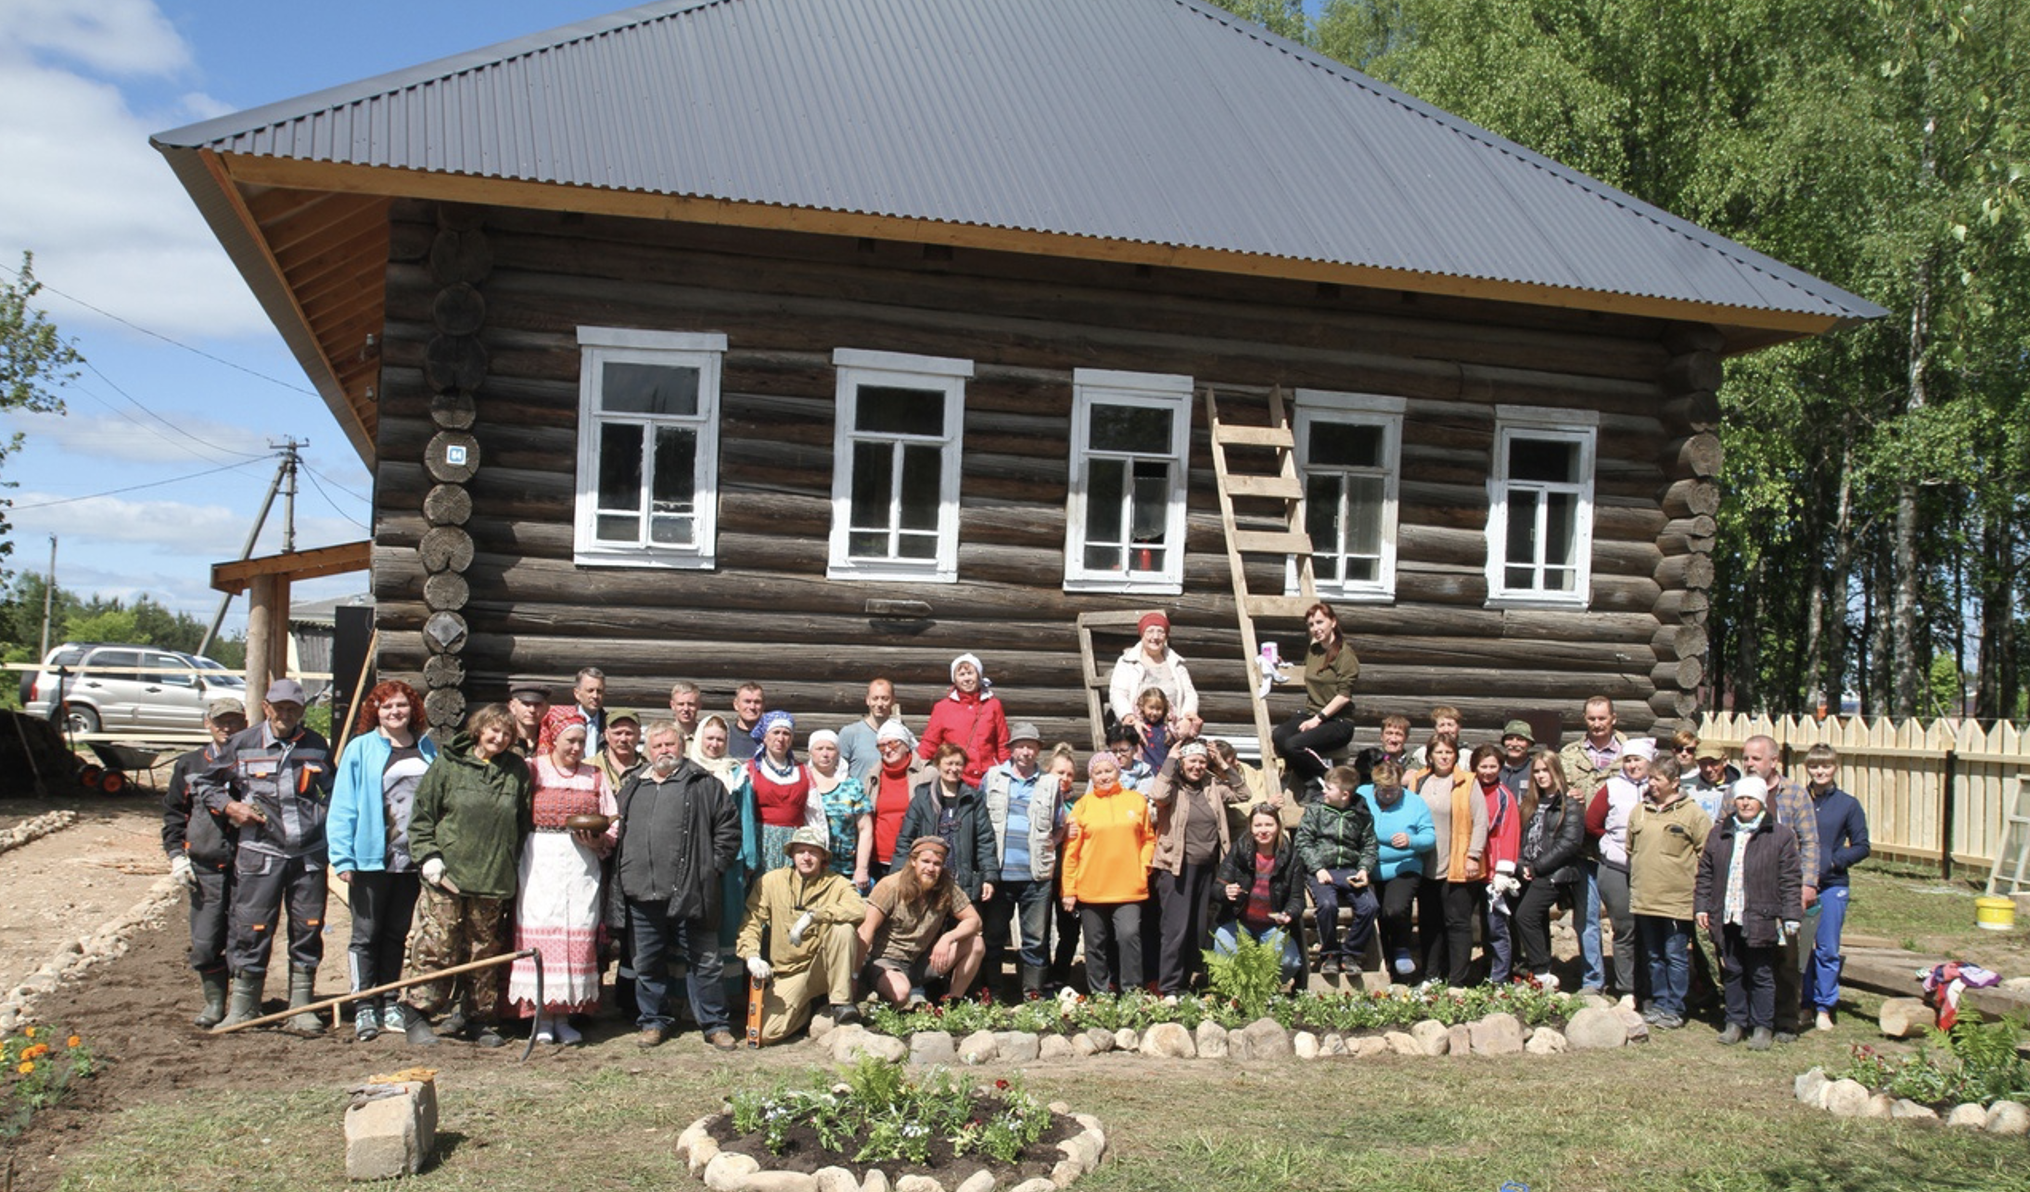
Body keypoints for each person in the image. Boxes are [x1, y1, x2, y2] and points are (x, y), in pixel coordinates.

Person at [195, 678, 334, 1032]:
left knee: (308, 926)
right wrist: (230, 807)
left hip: (308, 856)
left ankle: (301, 1007)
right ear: (266, 707)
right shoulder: (242, 744)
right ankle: (244, 1005)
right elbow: (205, 783)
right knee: (251, 927)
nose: (286, 714)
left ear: (302, 711)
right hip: (260, 852)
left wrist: (322, 819)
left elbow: (334, 792)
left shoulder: (316, 746)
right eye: (280, 707)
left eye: (293, 709)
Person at [400, 704, 533, 1048]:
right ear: (478, 729)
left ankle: (478, 1017)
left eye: (506, 734)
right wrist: (428, 855)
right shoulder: (449, 765)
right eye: (493, 731)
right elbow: (422, 816)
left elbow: (521, 824)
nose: (499, 739)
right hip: (448, 875)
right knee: (438, 945)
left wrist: (510, 862)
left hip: (493, 877)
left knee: (483, 951)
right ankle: (418, 1012)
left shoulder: (516, 771)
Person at [611, 720, 742, 1049]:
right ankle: (654, 1021)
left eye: (670, 745)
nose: (664, 751)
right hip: (641, 890)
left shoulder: (704, 784)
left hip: (691, 890)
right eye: (657, 746)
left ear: (681, 747)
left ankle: (715, 1024)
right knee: (647, 962)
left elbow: (728, 830)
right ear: (647, 750)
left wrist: (710, 869)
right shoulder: (633, 786)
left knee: (705, 961)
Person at [327, 680, 438, 1041]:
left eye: (401, 706)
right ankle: (363, 1005)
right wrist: (343, 857)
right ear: (375, 710)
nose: (395, 712)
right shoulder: (361, 749)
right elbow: (343, 805)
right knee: (366, 934)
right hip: (371, 858)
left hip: (411, 861)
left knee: (396, 933)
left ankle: (390, 1000)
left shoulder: (426, 748)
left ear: (413, 709)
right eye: (387, 706)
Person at [507, 712, 617, 1045]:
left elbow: (613, 819)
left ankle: (567, 1014)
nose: (576, 747)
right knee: (540, 931)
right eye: (570, 740)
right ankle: (541, 1015)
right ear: (554, 738)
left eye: (582, 741)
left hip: (581, 861)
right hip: (540, 857)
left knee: (578, 931)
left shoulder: (594, 775)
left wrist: (601, 841)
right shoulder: (533, 769)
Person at [1695, 776, 1803, 1051]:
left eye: (1751, 799)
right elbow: (1705, 873)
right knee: (1732, 970)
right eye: (1741, 798)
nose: (1745, 803)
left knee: (1761, 973)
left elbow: (1790, 879)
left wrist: (1791, 915)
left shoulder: (1779, 835)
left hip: (1761, 915)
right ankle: (1734, 1022)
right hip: (1727, 914)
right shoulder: (1720, 833)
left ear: (1761, 802)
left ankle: (1762, 1026)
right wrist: (1702, 907)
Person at [161, 698, 248, 1027]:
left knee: (245, 937)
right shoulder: (190, 764)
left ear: (246, 722)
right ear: (207, 724)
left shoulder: (253, 760)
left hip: (249, 865)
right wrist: (176, 855)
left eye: (235, 721)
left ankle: (241, 1004)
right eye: (220, 722)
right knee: (206, 938)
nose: (228, 728)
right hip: (206, 865)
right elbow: (173, 813)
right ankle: (214, 1003)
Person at [737, 826, 867, 1042]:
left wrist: (814, 915)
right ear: (792, 854)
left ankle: (841, 1004)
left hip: (824, 967)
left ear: (823, 856)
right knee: (764, 1034)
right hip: (789, 972)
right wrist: (751, 955)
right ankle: (807, 1009)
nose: (806, 858)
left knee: (843, 928)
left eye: (813, 852)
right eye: (801, 851)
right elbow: (751, 922)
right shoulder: (770, 882)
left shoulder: (838, 884)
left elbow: (859, 909)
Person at [1740, 733, 1821, 1041]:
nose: (1748, 763)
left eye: (1755, 758)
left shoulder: (1795, 795)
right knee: (1751, 954)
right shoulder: (1738, 793)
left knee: (1787, 958)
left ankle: (1786, 1019)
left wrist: (1808, 883)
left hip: (1785, 888)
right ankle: (1752, 1015)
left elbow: (1811, 841)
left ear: (1774, 761)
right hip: (1748, 888)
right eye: (1745, 758)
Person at [1147, 739, 1244, 996]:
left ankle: (1186, 983)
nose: (1198, 766)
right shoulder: (1173, 787)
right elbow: (1157, 795)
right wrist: (1169, 760)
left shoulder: (1212, 785)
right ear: (1182, 762)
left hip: (1207, 868)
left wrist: (1222, 764)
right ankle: (1169, 986)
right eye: (1193, 761)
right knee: (1175, 929)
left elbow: (1243, 794)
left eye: (1202, 762)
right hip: (1176, 867)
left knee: (1197, 929)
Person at [981, 722, 1069, 997]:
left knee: (1036, 940)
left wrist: (1048, 847)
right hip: (999, 875)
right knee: (993, 938)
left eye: (1031, 746)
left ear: (1038, 750)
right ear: (1011, 750)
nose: (1026, 752)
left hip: (1036, 876)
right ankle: (992, 993)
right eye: (1020, 746)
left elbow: (1060, 824)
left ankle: (1033, 993)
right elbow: (981, 823)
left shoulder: (1049, 783)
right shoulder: (993, 777)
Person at [1060, 752, 1155, 995]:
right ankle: (1100, 994)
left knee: (1129, 936)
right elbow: (1071, 852)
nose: (1104, 776)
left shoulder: (1136, 802)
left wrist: (1143, 866)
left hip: (1129, 887)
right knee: (1095, 944)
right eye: (1098, 772)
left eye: (1108, 771)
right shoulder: (1082, 806)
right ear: (1091, 776)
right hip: (1091, 889)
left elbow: (1148, 840)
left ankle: (1132, 992)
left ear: (1118, 771)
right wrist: (1069, 890)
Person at [1627, 754, 1710, 1030]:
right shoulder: (1639, 811)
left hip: (1677, 899)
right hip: (1645, 898)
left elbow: (1706, 853)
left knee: (1675, 954)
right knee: (1653, 955)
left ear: (1675, 782)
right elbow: (1631, 848)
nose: (1650, 783)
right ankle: (1659, 1002)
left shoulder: (1692, 814)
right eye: (1649, 778)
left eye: (1657, 779)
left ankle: (1675, 1006)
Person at [861, 836, 986, 1004]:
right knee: (901, 993)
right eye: (925, 861)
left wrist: (948, 938)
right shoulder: (890, 886)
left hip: (919, 961)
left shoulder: (946, 886)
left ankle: (952, 1002)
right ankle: (878, 996)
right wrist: (854, 976)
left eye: (937, 864)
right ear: (913, 861)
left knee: (975, 943)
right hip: (885, 961)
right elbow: (865, 930)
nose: (930, 868)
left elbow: (974, 920)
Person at [1804, 745, 1870, 1030]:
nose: (1820, 772)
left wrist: (1833, 862)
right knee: (1803, 946)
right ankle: (1804, 1002)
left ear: (1835, 768)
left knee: (1827, 948)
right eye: (1815, 766)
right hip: (1802, 884)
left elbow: (1862, 846)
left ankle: (1824, 1006)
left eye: (1826, 766)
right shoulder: (1799, 799)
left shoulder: (1847, 804)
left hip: (1832, 885)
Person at [1412, 734, 1484, 985]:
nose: (1444, 757)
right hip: (1425, 864)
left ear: (1455, 755)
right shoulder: (1418, 781)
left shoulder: (1467, 782)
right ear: (1429, 755)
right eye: (1439, 752)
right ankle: (1431, 975)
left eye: (1448, 752)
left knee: (1458, 923)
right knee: (1429, 923)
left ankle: (1457, 980)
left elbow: (1481, 821)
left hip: (1457, 861)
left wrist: (1473, 855)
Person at [1297, 764, 1379, 976]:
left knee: (1369, 906)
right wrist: (1317, 868)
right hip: (1322, 870)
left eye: (1329, 788)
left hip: (1350, 869)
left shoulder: (1360, 815)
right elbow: (1303, 841)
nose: (1324, 791)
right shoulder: (1316, 810)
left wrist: (1364, 869)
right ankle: (1330, 954)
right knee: (1327, 905)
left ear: (1345, 794)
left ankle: (1351, 953)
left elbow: (1369, 845)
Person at [1271, 602, 1360, 796]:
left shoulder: (1345, 655)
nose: (1316, 628)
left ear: (1333, 622)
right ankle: (1312, 781)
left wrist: (1317, 719)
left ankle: (1329, 779)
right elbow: (1312, 674)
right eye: (1311, 624)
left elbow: (1344, 696)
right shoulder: (1315, 651)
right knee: (1279, 735)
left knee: (1294, 744)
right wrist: (1282, 665)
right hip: (1312, 714)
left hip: (1338, 722)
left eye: (1320, 622)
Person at [1513, 748, 1586, 987]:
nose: (1542, 776)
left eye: (1546, 770)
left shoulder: (1569, 803)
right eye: (1537, 771)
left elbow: (1569, 843)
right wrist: (1522, 864)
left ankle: (1542, 972)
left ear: (1557, 771)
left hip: (1553, 873)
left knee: (1526, 916)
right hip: (1528, 870)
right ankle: (1537, 969)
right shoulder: (1530, 802)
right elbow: (1523, 837)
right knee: (1537, 920)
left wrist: (1538, 868)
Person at [891, 743, 996, 904]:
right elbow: (905, 840)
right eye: (949, 763)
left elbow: (985, 841)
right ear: (938, 764)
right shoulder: (922, 799)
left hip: (963, 881)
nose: (953, 769)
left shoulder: (974, 800)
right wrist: (898, 875)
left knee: (968, 927)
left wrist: (989, 877)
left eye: (958, 764)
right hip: (928, 879)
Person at [1213, 805, 1306, 986]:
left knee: (1289, 961)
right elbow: (1216, 888)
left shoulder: (1291, 857)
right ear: (1251, 827)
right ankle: (1238, 992)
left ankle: (1263, 991)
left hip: (1271, 925)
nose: (1263, 831)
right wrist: (1225, 891)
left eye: (1268, 825)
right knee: (1223, 948)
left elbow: (1297, 898)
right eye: (1258, 825)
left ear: (1277, 826)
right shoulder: (1239, 851)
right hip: (1238, 922)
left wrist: (1289, 913)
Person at [1589, 737, 1651, 1005]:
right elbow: (1592, 822)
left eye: (1638, 759)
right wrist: (1610, 842)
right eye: (1628, 759)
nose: (1632, 764)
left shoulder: (1658, 787)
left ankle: (1649, 988)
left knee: (1649, 929)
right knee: (1624, 927)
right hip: (1616, 867)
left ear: (1649, 761)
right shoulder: (1612, 787)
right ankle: (1627, 988)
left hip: (1651, 870)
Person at [1360, 760, 1434, 978]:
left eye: (1393, 790)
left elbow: (1429, 837)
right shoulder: (1362, 796)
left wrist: (1411, 840)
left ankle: (1402, 947)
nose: (1388, 795)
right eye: (1383, 790)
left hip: (1404, 865)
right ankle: (1387, 967)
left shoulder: (1414, 803)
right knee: (1377, 914)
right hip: (1370, 867)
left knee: (1394, 909)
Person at [1472, 743, 1523, 985]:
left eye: (1493, 766)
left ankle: (1500, 977)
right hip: (1473, 869)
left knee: (1496, 927)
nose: (1488, 771)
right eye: (1483, 766)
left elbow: (1509, 833)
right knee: (1483, 924)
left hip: (1494, 871)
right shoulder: (1470, 791)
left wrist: (1503, 870)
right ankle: (1487, 969)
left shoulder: (1505, 797)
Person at [918, 653, 1010, 787]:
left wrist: (1006, 773)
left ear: (978, 675)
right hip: (956, 778)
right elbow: (930, 743)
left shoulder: (993, 705)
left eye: (970, 673)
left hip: (989, 778)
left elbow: (1003, 743)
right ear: (954, 680)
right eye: (961, 674)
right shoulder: (942, 708)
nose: (966, 678)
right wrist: (915, 767)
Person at [746, 710, 823, 870]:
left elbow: (815, 815)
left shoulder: (803, 771)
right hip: (760, 844)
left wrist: (818, 846)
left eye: (786, 733)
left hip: (795, 846)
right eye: (776, 732)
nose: (780, 738)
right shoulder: (750, 770)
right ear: (765, 737)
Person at [1107, 610, 1202, 739]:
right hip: (1138, 730)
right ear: (1142, 634)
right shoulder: (1127, 662)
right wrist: (1129, 717)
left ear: (1166, 636)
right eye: (1150, 631)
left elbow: (1190, 694)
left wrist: (1187, 718)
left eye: (1160, 631)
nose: (1155, 637)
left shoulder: (1176, 663)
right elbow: (1117, 693)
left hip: (1172, 731)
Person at [808, 729, 875, 891]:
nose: (825, 754)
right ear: (810, 752)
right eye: (819, 748)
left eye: (830, 749)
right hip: (809, 865)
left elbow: (865, 829)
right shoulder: (802, 782)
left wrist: (862, 868)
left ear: (838, 753)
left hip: (844, 869)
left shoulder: (851, 786)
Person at [1044, 743, 1087, 988]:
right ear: (1048, 771)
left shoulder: (1077, 805)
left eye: (1070, 774)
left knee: (1069, 929)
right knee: (1039, 930)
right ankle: (1038, 977)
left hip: (1067, 875)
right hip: (1041, 872)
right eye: (1060, 773)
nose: (1065, 778)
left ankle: (1059, 976)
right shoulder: (1038, 800)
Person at [868, 721, 925, 870]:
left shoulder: (927, 774)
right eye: (881, 746)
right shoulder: (873, 777)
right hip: (878, 861)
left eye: (892, 744)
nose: (887, 750)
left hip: (915, 860)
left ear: (906, 745)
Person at [837, 677, 904, 786]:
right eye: (875, 698)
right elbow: (838, 771)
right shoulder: (850, 733)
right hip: (860, 800)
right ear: (867, 700)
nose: (879, 704)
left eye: (885, 698)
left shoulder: (901, 734)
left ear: (893, 700)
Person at [1683, 741, 1740, 823]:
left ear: (1724, 761)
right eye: (1703, 763)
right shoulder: (1690, 796)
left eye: (1713, 763)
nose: (1708, 769)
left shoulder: (1738, 791)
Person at [1352, 714, 1411, 787]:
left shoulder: (1412, 762)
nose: (1393, 739)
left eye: (1398, 734)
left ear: (1406, 738)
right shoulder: (1369, 760)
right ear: (1381, 736)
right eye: (1389, 733)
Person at [1132, 688, 1177, 773]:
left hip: (1166, 771)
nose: (1155, 712)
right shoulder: (1140, 727)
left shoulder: (1168, 727)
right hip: (1146, 771)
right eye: (1151, 708)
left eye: (1159, 708)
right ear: (1143, 706)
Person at [1407, 706, 1463, 770]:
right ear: (1435, 728)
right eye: (1441, 725)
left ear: (1459, 727)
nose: (1446, 730)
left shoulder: (1467, 756)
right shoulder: (1421, 753)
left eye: (1450, 725)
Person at [507, 677, 549, 756]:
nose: (532, 710)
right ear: (512, 707)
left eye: (537, 704)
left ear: (546, 708)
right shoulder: (503, 739)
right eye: (526, 704)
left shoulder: (552, 741)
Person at [570, 666, 607, 755]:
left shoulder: (609, 725)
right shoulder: (565, 722)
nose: (595, 696)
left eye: (599, 691)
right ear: (577, 693)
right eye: (590, 690)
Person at [726, 683, 765, 762]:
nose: (752, 707)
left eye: (757, 702)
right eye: (747, 701)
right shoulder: (724, 735)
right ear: (736, 704)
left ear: (763, 705)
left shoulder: (770, 737)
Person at [1106, 724, 1152, 790]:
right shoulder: (1101, 773)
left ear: (1135, 749)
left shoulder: (1145, 773)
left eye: (1123, 750)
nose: (1118, 756)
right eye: (1114, 751)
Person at [1496, 720, 1535, 797]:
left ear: (1529, 744)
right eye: (1510, 739)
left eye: (1520, 739)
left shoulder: (1535, 769)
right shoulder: (1495, 767)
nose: (1514, 744)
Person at [668, 680, 703, 756]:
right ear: (672, 705)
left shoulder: (705, 736)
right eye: (681, 704)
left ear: (699, 705)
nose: (686, 709)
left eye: (691, 704)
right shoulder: (664, 736)